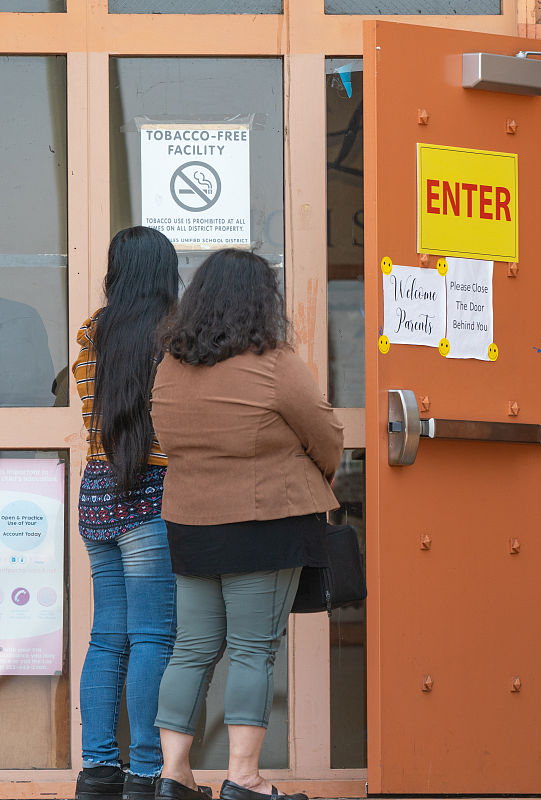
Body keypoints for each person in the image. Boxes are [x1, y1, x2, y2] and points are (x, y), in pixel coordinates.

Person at [150, 249, 344, 800]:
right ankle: (243, 777)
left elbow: (166, 437)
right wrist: (309, 476)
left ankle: (175, 775)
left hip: (190, 524)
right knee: (252, 649)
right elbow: (326, 436)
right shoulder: (273, 362)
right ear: (262, 301)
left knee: (191, 648)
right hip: (266, 523)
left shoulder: (170, 363)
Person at [72, 227, 180, 800]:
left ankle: (97, 770)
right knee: (153, 638)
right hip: (152, 491)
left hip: (97, 490)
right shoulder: (174, 339)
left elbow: (91, 407)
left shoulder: (92, 334)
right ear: (164, 274)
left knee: (108, 636)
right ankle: (144, 772)